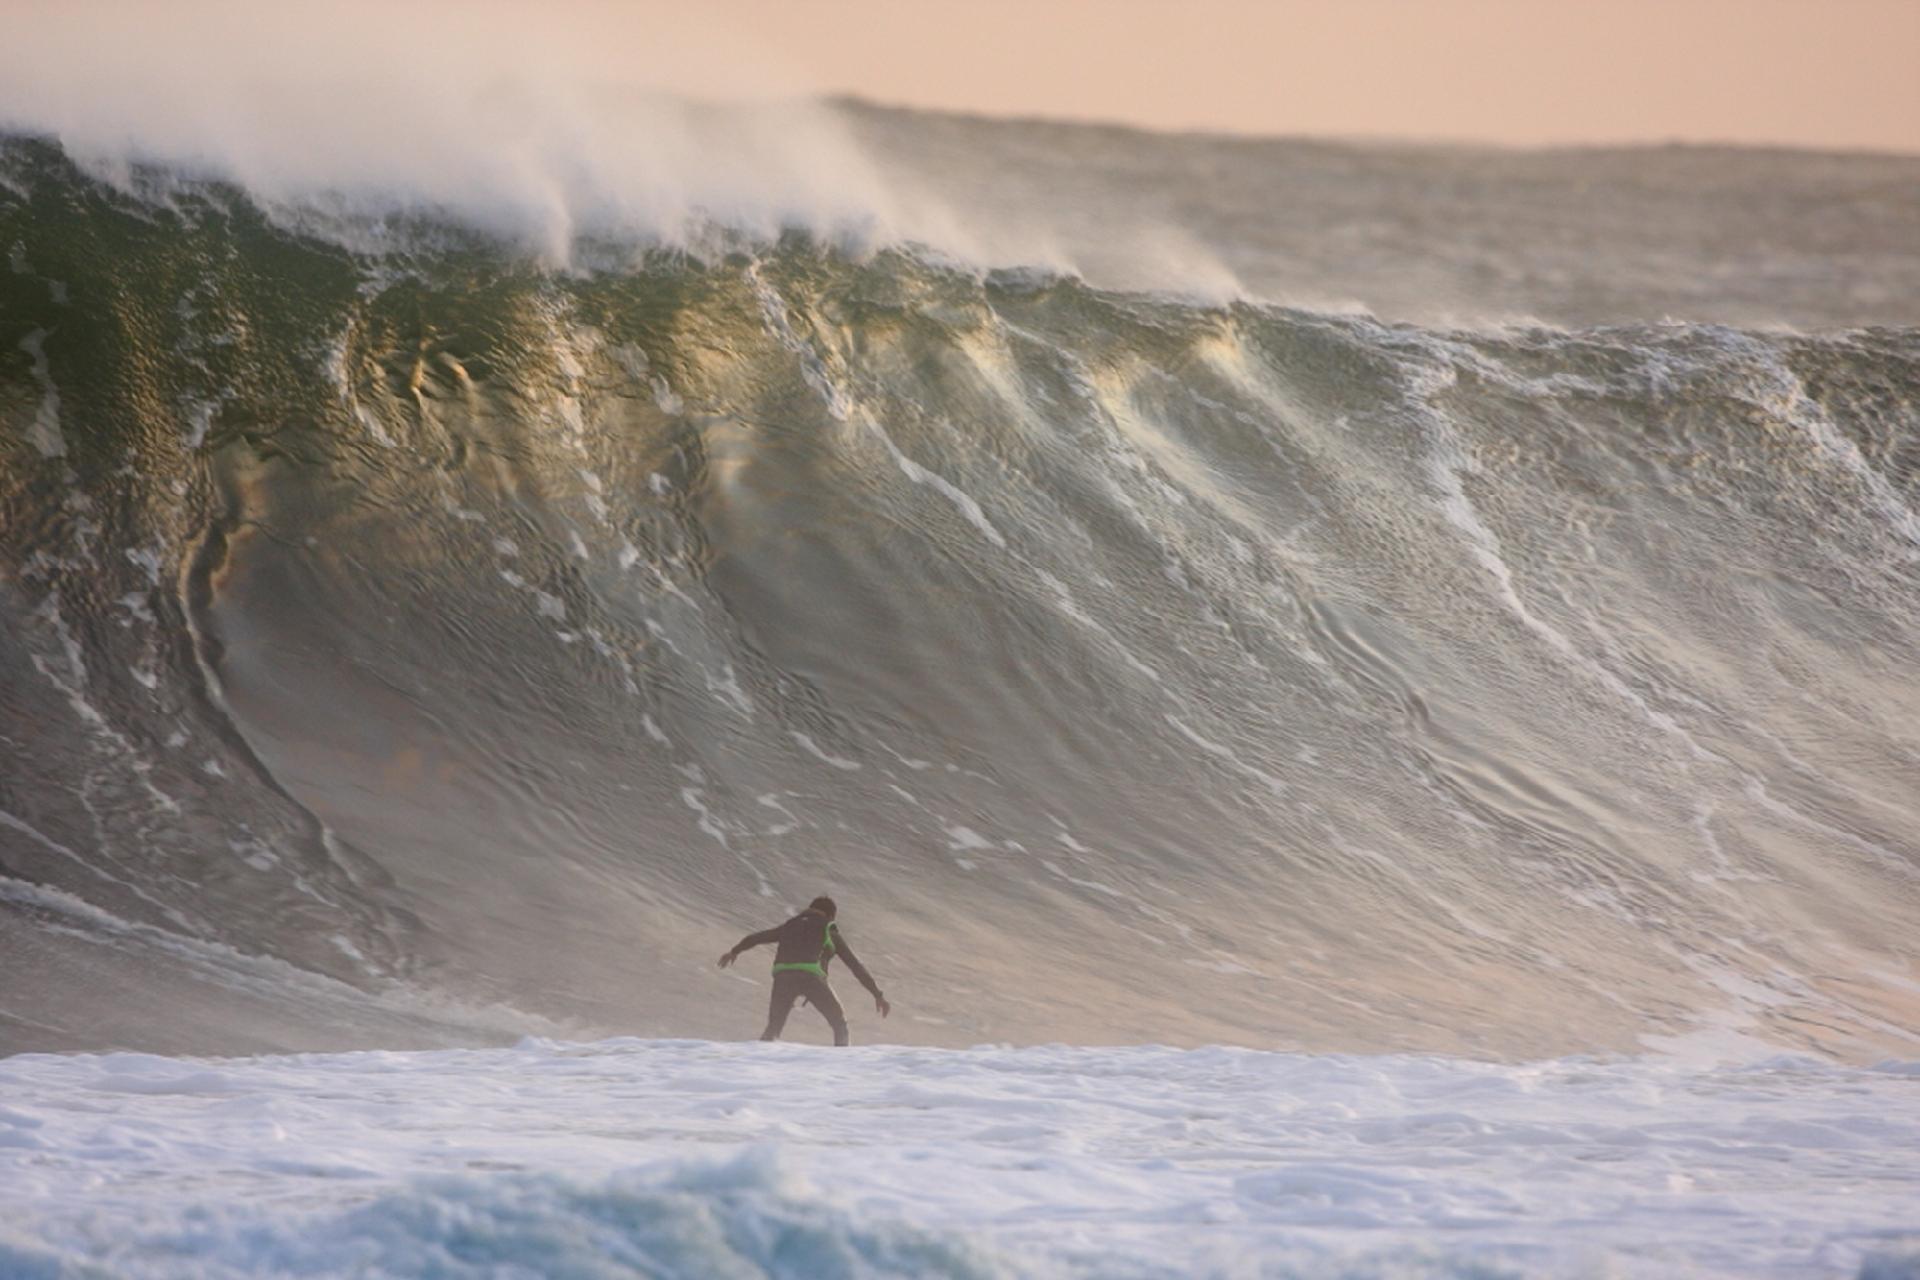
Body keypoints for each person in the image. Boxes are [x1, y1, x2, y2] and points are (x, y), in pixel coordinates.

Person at [718, 895, 890, 1045]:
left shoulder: (789, 926)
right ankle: (841, 1065)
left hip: (783, 977)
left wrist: (734, 951)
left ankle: (757, 1068)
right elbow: (855, 966)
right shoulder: (829, 930)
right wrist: (878, 995)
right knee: (839, 1024)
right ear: (830, 916)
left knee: (773, 1028)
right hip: (811, 977)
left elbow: (756, 938)